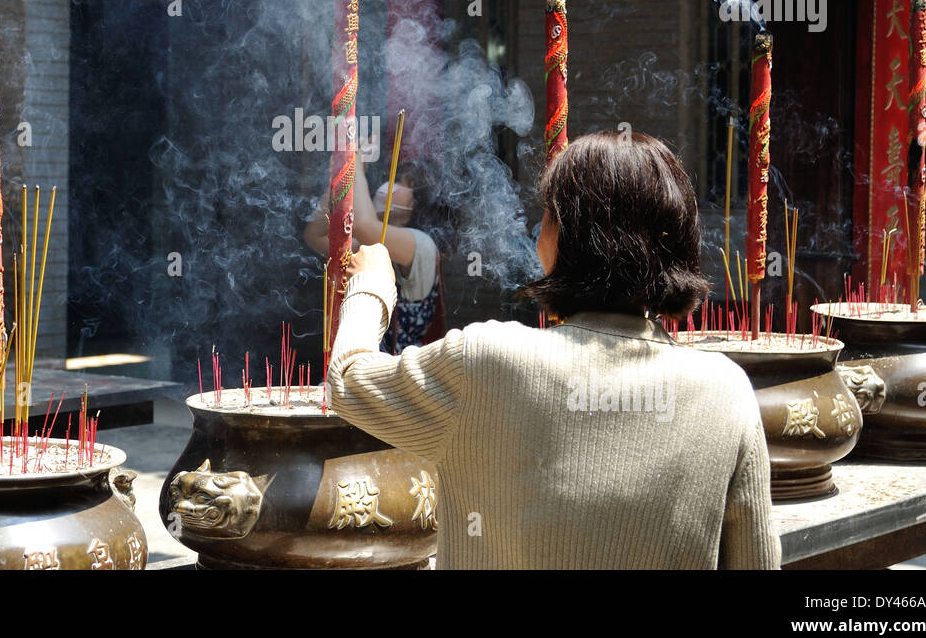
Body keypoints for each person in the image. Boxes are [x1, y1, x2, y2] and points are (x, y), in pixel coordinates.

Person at [326, 130, 781, 570]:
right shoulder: (727, 391)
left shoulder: (487, 361)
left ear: (566, 238)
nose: (536, 227)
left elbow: (348, 382)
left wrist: (371, 285)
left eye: (548, 213)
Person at [303, 159, 446, 353]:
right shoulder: (367, 245)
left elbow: (363, 225)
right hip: (360, 364)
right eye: (395, 179)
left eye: (405, 184)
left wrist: (354, 167)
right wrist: (340, 179)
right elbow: (314, 236)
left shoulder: (423, 245)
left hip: (394, 376)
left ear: (417, 203)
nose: (391, 186)